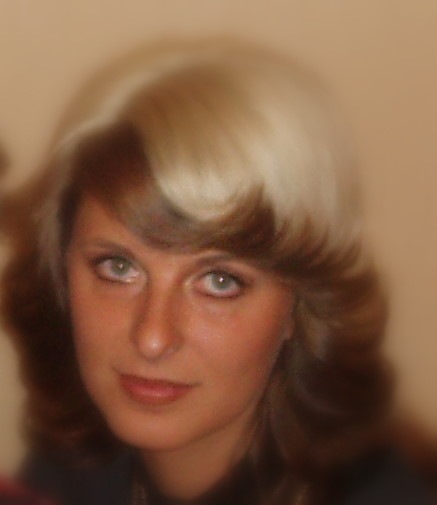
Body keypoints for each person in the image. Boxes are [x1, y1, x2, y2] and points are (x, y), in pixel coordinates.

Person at [0, 39, 433, 505]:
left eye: (220, 282)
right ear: (61, 270)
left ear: (301, 302)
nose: (152, 338)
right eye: (119, 267)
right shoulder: (70, 469)